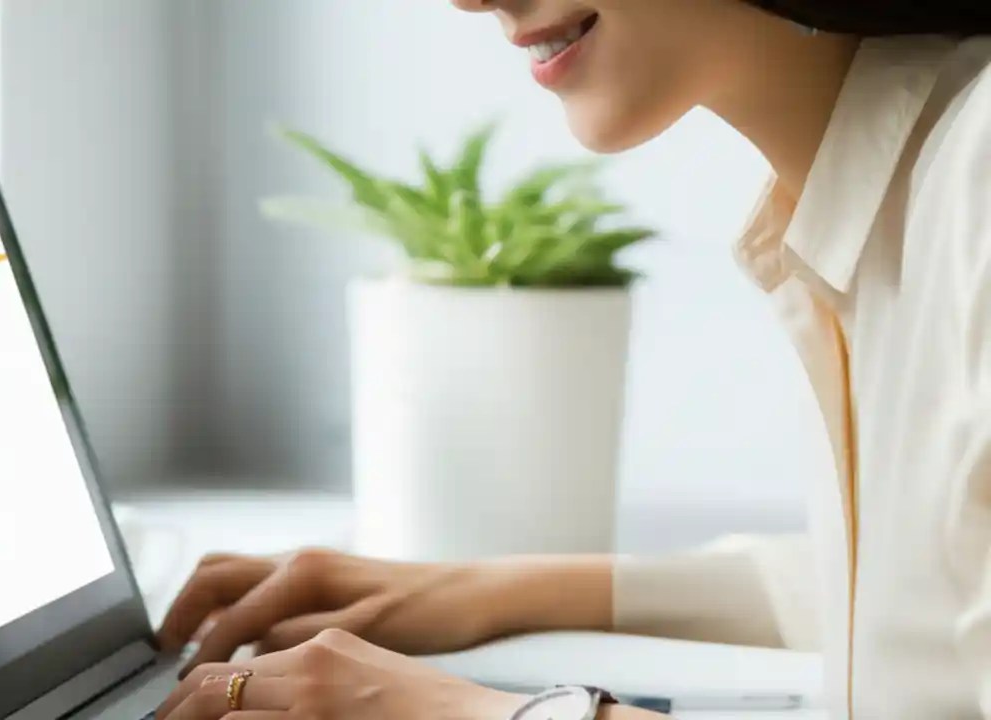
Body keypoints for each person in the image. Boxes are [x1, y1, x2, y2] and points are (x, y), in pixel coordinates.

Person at [155, 1, 991, 718]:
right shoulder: (898, 185)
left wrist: (485, 711)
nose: (470, 1)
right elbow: (914, 593)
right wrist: (486, 592)